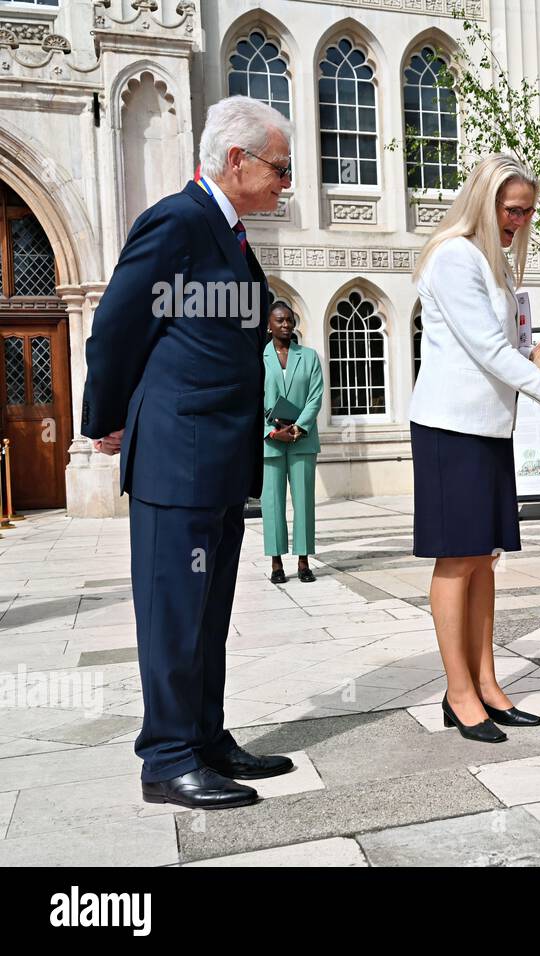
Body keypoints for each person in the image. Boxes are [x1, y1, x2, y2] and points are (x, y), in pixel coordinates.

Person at [81, 95, 296, 809]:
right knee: (176, 610)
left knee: (207, 609)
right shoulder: (178, 221)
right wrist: (105, 419)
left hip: (219, 455)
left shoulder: (229, 233)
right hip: (178, 453)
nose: (285, 184)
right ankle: (166, 758)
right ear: (236, 160)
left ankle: (204, 737)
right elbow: (116, 323)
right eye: (280, 169)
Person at [410, 153, 540, 743]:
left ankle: (488, 683)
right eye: (511, 209)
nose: (519, 221)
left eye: (526, 212)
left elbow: (505, 352)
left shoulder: (496, 266)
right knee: (457, 558)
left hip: (490, 427)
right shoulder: (454, 257)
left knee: (486, 559)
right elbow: (485, 351)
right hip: (450, 428)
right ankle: (458, 691)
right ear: (484, 200)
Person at [262, 302, 324, 584]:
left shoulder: (309, 357)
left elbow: (316, 396)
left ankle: (303, 560)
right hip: (270, 442)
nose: (285, 324)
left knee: (304, 502)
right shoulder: (257, 358)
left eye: (289, 319)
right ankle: (276, 562)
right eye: (279, 320)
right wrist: (272, 431)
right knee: (272, 503)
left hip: (302, 440)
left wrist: (298, 427)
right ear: (269, 325)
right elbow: (253, 399)